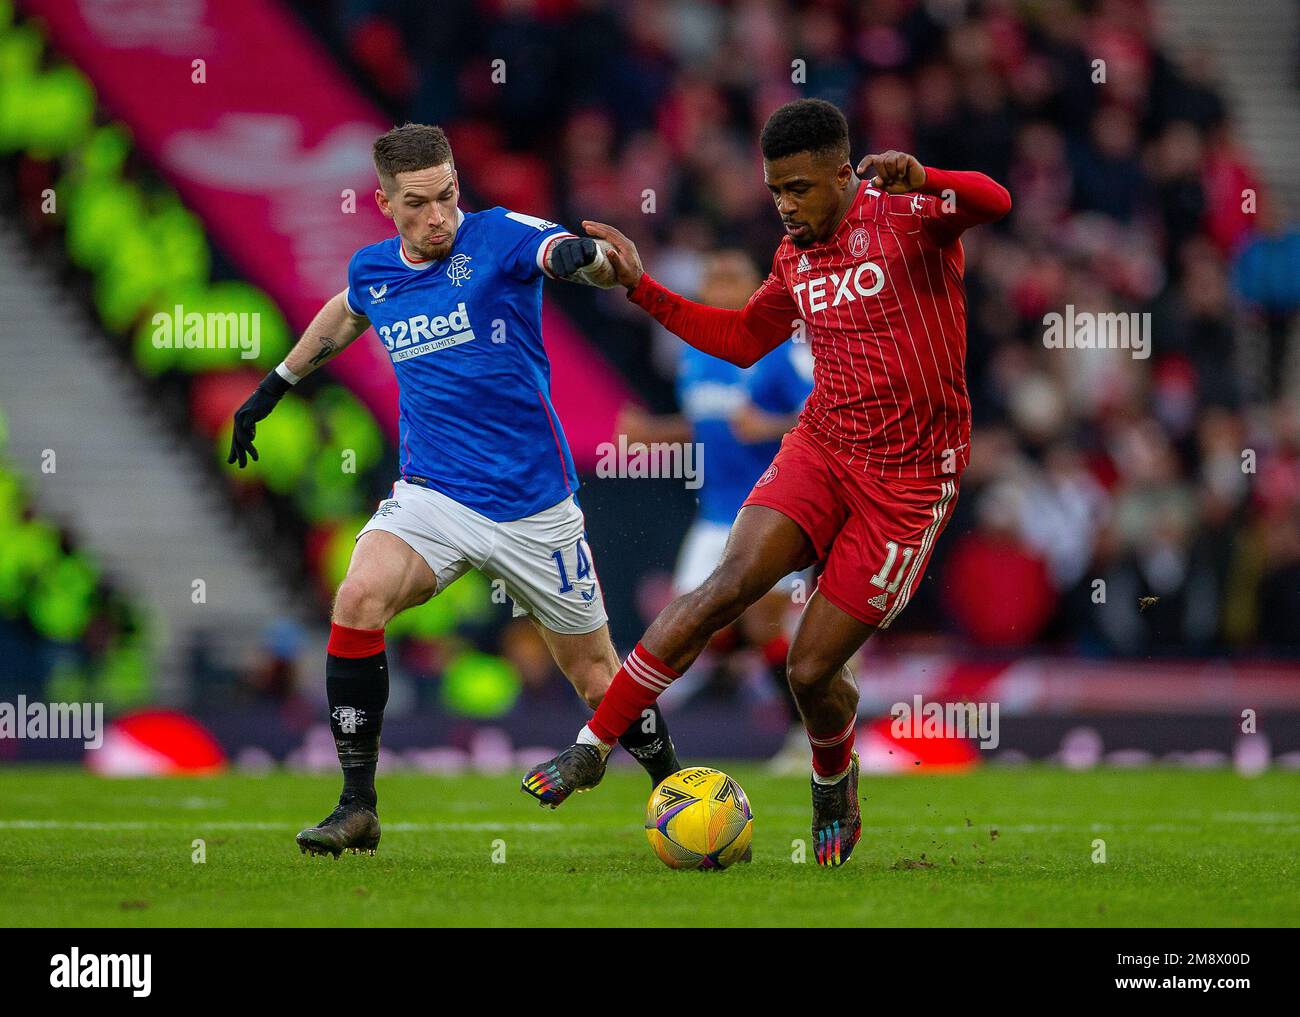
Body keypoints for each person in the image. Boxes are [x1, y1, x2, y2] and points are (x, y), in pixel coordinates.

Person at [521, 98, 1010, 867]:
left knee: (809, 669)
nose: (785, 205)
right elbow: (744, 337)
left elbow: (996, 200)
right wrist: (640, 288)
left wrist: (924, 176)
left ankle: (833, 776)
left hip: (909, 482)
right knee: (725, 587)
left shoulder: (911, 215)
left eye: (799, 188)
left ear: (843, 175)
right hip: (823, 446)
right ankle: (592, 746)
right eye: (775, 189)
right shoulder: (794, 258)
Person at [227, 123, 681, 857]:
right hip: (434, 496)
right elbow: (348, 309)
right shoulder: (376, 270)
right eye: (417, 204)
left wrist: (592, 260)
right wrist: (275, 384)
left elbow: (565, 253)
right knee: (357, 598)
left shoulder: (498, 236)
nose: (438, 216)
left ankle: (680, 789)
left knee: (600, 681)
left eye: (446, 196)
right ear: (385, 204)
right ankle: (357, 805)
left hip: (534, 507)